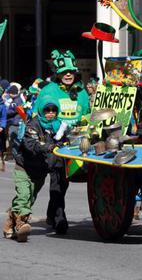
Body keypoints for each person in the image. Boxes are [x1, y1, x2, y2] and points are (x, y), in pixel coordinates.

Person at [35, 49, 90, 234]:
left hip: (77, 142)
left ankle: (52, 212)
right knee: (57, 179)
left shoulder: (81, 91)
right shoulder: (48, 90)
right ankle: (60, 217)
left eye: (71, 71)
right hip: (55, 142)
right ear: (57, 73)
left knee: (65, 181)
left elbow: (88, 114)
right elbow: (38, 116)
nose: (68, 74)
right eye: (64, 71)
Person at [3, 96, 63, 241]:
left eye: (53, 110)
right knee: (24, 197)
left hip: (41, 171)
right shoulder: (32, 125)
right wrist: (48, 147)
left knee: (29, 200)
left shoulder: (59, 126)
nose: (50, 112)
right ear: (41, 110)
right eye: (47, 109)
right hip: (24, 167)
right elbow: (31, 145)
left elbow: (65, 142)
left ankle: (10, 223)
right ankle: (21, 226)